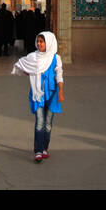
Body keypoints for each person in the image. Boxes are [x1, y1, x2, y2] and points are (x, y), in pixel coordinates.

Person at [12, 30, 63, 162]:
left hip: (52, 94)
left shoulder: (55, 58)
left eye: (42, 42)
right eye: (38, 41)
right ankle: (38, 150)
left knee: (48, 124)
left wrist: (61, 91)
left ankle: (45, 148)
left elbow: (59, 75)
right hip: (37, 94)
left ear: (49, 43)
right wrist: (31, 73)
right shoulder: (33, 57)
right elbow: (21, 65)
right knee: (40, 122)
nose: (39, 44)